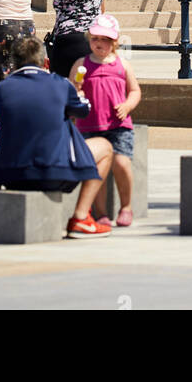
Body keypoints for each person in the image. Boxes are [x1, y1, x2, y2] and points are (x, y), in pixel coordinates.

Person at [0, 34, 114, 237]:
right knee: (105, 147)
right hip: (52, 174)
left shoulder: (3, 89)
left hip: (9, 175)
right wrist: (77, 94)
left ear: (13, 64)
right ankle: (81, 218)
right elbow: (83, 111)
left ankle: (81, 218)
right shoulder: (60, 84)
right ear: (46, 62)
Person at [70, 14, 141, 228]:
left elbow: (135, 91)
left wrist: (128, 105)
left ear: (114, 42)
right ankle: (100, 212)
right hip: (89, 125)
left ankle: (126, 206)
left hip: (118, 125)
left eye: (105, 40)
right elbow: (72, 90)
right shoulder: (82, 64)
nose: (99, 44)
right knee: (95, 169)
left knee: (121, 163)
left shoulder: (123, 65)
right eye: (95, 39)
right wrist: (77, 91)